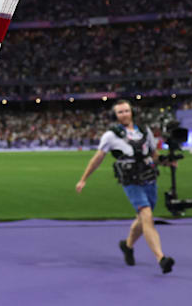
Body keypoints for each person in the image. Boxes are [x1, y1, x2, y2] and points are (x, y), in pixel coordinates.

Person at [75, 99, 175, 274]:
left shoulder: (145, 131)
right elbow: (97, 158)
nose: (124, 114)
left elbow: (154, 155)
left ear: (132, 112)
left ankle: (127, 246)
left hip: (149, 177)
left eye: (126, 111)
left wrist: (167, 162)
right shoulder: (110, 136)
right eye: (120, 112)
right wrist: (84, 179)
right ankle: (161, 258)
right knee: (147, 215)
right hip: (130, 180)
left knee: (144, 217)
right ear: (115, 115)